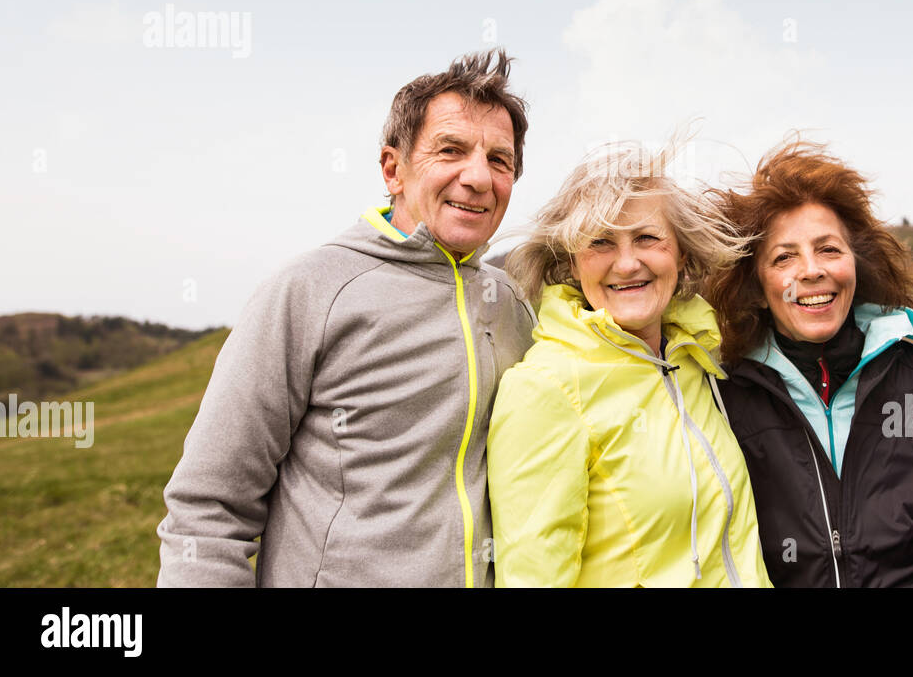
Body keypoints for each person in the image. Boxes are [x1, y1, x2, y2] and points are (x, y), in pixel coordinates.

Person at [156, 49, 536, 587]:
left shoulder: (512, 304)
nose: (478, 177)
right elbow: (207, 508)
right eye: (451, 150)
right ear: (393, 168)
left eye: (499, 160)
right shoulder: (309, 291)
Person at [487, 140, 772, 587]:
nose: (627, 262)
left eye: (647, 237)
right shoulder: (544, 388)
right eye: (600, 242)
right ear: (571, 263)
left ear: (680, 252)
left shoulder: (697, 362)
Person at [705, 140, 913, 587]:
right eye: (784, 257)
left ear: (857, 265)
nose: (811, 271)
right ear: (758, 288)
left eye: (829, 250)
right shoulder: (724, 398)